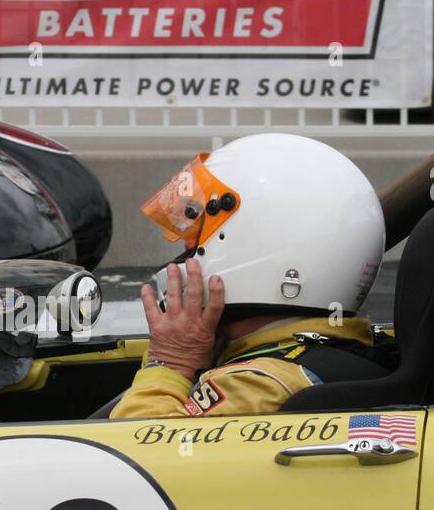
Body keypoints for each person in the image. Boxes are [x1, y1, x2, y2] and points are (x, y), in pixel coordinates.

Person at [111, 133, 387, 419]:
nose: (187, 247)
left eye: (201, 233)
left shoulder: (261, 384)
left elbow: (135, 451)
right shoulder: (337, 351)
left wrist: (170, 364)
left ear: (257, 239)